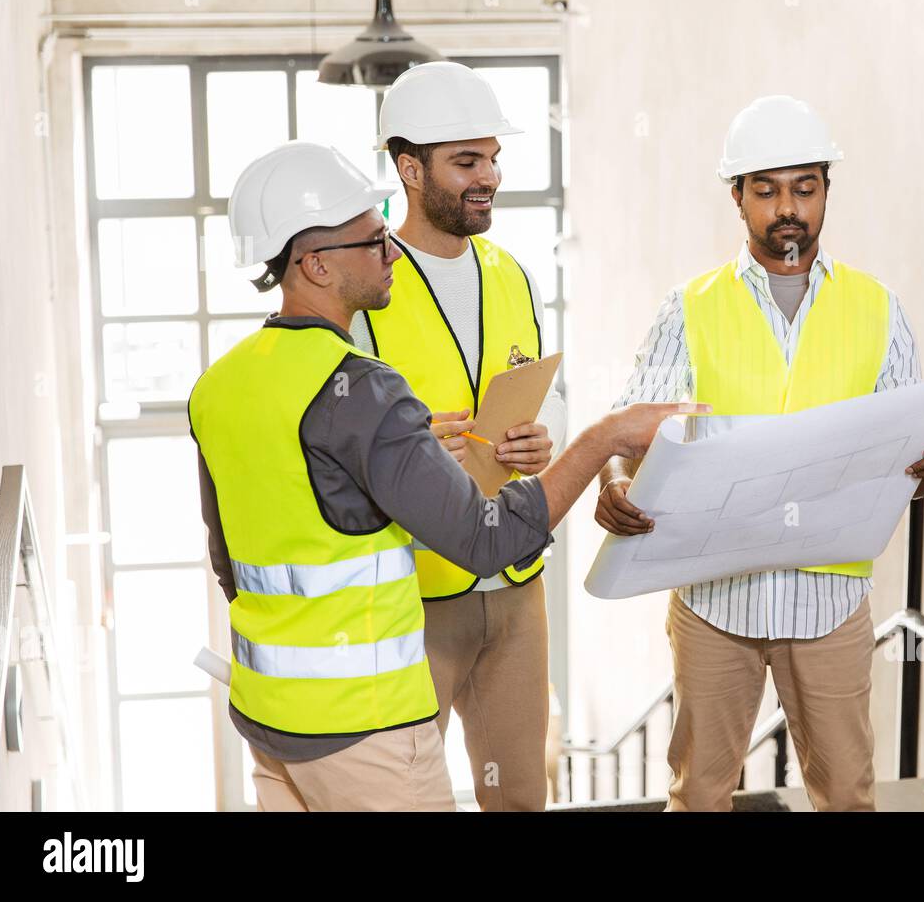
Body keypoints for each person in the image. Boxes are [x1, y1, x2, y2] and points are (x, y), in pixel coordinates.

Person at [191, 140, 705, 811]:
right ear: (314, 263)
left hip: (269, 724)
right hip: (368, 734)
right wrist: (604, 438)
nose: (391, 252)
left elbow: (227, 560)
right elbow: (488, 540)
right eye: (373, 241)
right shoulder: (364, 391)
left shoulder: (219, 386)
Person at [596, 95, 924, 811]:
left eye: (804, 187)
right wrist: (613, 477)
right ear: (737, 197)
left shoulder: (878, 307)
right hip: (714, 599)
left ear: (827, 191)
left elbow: (900, 455)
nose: (786, 207)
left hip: (827, 598)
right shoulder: (689, 307)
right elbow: (627, 431)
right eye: (766, 190)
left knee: (846, 795)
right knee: (699, 791)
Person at [347, 61, 564, 811]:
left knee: (519, 798)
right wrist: (405, 455)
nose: (491, 177)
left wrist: (544, 440)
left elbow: (543, 392)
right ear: (410, 168)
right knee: (402, 800)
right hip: (416, 594)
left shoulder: (513, 275)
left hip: (514, 586)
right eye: (467, 161)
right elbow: (334, 441)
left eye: (494, 158)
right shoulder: (366, 291)